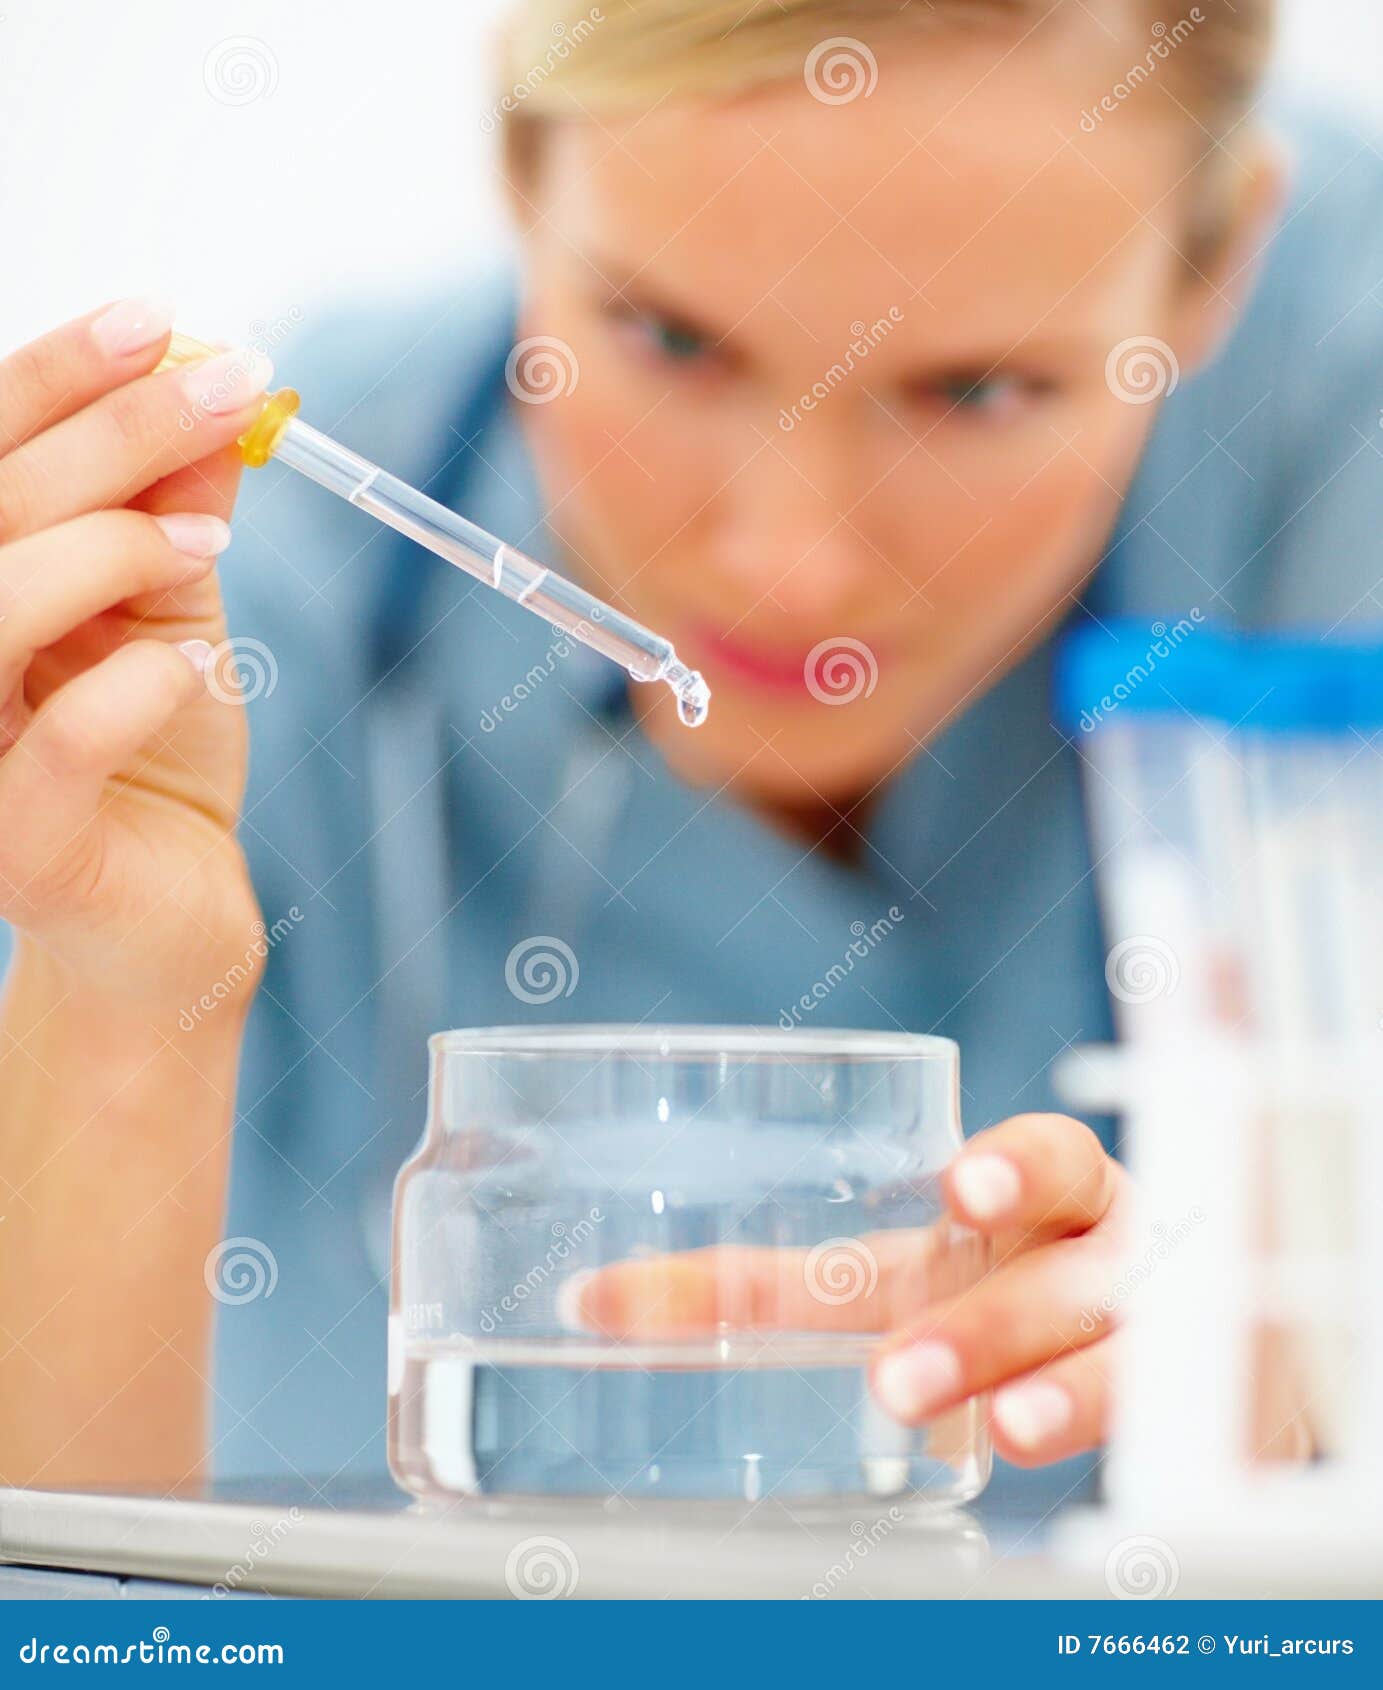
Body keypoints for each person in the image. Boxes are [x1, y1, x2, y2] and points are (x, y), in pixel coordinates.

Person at [0, 0, 1372, 1502]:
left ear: (1220, 260)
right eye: (669, 339)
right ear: (522, 173)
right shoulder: (239, 625)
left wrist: (1324, 1335)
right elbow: (82, 1611)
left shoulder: (1335, 443)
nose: (794, 570)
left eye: (978, 391)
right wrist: (116, 998)